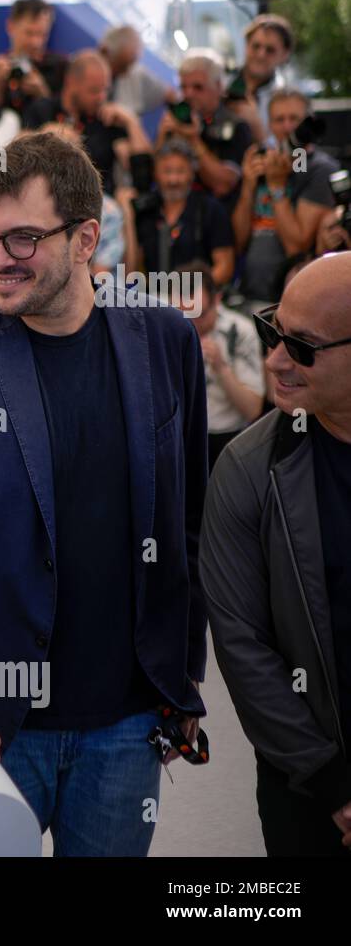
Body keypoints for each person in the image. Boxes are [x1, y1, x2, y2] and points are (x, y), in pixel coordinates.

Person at [0, 132, 208, 856]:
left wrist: (183, 679)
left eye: (23, 239)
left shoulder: (165, 339)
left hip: (130, 720)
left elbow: (187, 522)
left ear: (85, 240)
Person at [201, 252, 351, 856]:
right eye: (272, 332)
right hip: (308, 792)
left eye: (303, 347)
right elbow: (242, 645)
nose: (275, 361)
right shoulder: (246, 468)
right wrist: (332, 786)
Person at [233, 89, 338, 307]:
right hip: (251, 294)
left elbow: (296, 248)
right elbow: (238, 242)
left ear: (308, 122)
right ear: (269, 125)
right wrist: (248, 186)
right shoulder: (263, 160)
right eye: (279, 120)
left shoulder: (320, 168)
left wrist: (277, 187)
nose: (288, 127)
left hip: (295, 299)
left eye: (295, 119)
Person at [21, 49, 151, 198]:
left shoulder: (107, 121)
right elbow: (17, 150)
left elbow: (143, 175)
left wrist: (132, 122)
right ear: (71, 82)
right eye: (94, 90)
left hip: (93, 204)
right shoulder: (43, 109)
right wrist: (44, 136)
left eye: (106, 89)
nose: (101, 97)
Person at [174, 260, 264, 469]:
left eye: (199, 315)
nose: (191, 325)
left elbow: (253, 410)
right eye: (183, 315)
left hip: (228, 439)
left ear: (217, 299)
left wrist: (222, 367)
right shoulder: (170, 328)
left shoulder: (241, 332)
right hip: (182, 436)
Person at [130, 137, 234, 289]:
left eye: (180, 171)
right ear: (155, 173)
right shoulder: (145, 211)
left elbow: (224, 267)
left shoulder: (210, 209)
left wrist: (193, 293)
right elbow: (133, 266)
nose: (173, 180)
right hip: (155, 299)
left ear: (192, 173)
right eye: (167, 171)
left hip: (198, 300)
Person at [158, 49, 254, 211]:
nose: (188, 94)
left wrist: (193, 141)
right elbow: (158, 172)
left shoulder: (235, 126)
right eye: (183, 87)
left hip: (217, 218)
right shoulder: (176, 118)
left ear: (218, 86)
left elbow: (223, 185)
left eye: (198, 87)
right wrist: (164, 135)